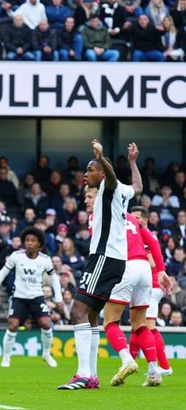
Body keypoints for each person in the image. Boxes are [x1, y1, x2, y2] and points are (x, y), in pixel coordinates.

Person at [58, 140, 138, 390]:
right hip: (114, 260)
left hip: (103, 257)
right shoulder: (125, 190)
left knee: (77, 311)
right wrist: (134, 163)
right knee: (91, 316)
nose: (85, 174)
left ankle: (83, 374)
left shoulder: (109, 186)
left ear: (102, 172)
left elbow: (112, 178)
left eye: (89, 169)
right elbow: (138, 185)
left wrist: (102, 157)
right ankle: (91, 376)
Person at [0, 227, 61, 368]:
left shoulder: (45, 260)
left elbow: (54, 279)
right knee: (13, 325)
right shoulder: (16, 256)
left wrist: (59, 299)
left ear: (39, 244)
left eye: (33, 241)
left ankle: (46, 353)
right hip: (19, 297)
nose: (29, 243)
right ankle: (6, 358)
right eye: (27, 240)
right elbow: (3, 273)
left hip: (37, 297)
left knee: (46, 323)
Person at [130, 206, 173, 383]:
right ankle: (131, 362)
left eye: (137, 217)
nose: (133, 220)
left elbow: (153, 261)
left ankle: (162, 366)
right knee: (140, 327)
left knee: (146, 327)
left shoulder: (144, 235)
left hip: (151, 286)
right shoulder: (141, 234)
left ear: (145, 219)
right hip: (149, 286)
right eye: (131, 216)